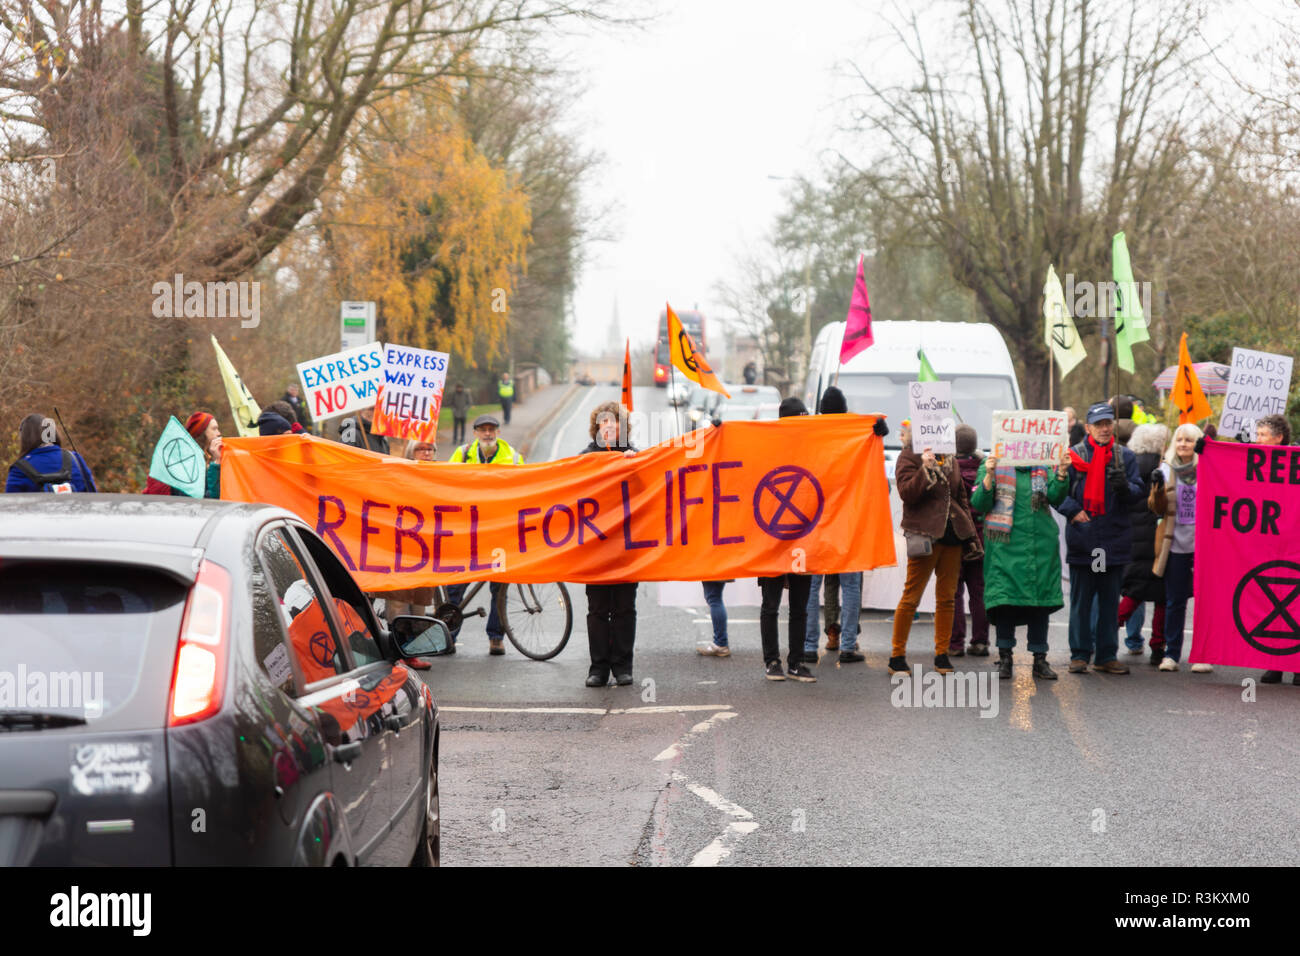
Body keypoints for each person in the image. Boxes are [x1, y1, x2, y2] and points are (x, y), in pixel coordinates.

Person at [969, 444, 1072, 678]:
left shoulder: (1045, 465)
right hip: (1005, 548)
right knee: (1005, 603)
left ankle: (1040, 659)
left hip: (1039, 547)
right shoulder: (991, 463)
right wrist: (990, 476)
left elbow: (1056, 496)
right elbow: (978, 503)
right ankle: (1005, 657)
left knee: (1039, 604)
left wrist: (1062, 472)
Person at [889, 412, 980, 676]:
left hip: (952, 536)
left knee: (947, 598)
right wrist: (924, 469)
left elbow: (961, 496)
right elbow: (907, 493)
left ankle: (941, 654)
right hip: (924, 535)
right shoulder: (909, 456)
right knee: (912, 596)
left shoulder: (949, 458)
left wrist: (970, 533)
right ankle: (897, 655)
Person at [1056, 402, 1144, 674]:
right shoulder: (1073, 456)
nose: (1105, 429)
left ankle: (1106, 655)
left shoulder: (1124, 457)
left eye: (1108, 424)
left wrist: (1124, 486)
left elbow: (1137, 494)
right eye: (1099, 424)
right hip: (1085, 537)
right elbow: (1057, 492)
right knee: (1082, 601)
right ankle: (1080, 654)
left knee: (1108, 601)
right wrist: (1073, 511)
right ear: (1088, 428)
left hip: (1112, 539)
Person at [446, 413, 522, 655]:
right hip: (467, 532)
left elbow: (527, 488)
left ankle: (496, 638)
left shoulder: (513, 457)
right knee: (456, 586)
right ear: (475, 433)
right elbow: (442, 482)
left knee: (499, 588)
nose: (488, 433)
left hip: (499, 533)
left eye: (492, 429)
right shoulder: (462, 454)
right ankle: (448, 635)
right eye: (483, 429)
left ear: (498, 432)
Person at [803, 387, 865, 663]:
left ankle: (807, 645)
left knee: (811, 587)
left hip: (815, 524)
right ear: (844, 409)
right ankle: (848, 645)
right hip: (847, 524)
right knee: (851, 586)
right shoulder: (855, 437)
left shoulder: (810, 436)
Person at [580, 402, 640, 686]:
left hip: (627, 544)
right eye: (603, 422)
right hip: (597, 546)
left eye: (614, 421)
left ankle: (623, 666)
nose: (608, 426)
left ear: (622, 427)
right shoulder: (584, 458)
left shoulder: (635, 455)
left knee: (625, 606)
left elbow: (650, 488)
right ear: (597, 427)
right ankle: (598, 668)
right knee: (598, 608)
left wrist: (634, 465)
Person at [759, 397, 818, 682]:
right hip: (771, 538)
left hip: (802, 538)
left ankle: (796, 661)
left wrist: (872, 431)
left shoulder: (813, 449)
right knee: (770, 604)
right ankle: (772, 660)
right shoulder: (766, 448)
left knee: (799, 606)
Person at [1148, 423, 1211, 675]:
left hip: (1205, 545)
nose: (1183, 444)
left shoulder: (1208, 468)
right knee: (1175, 601)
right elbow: (1156, 508)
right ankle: (1171, 653)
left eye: (1189, 440)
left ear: (1197, 443)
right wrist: (1157, 489)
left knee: (1205, 601)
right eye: (1180, 439)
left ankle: (1203, 654)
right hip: (1174, 543)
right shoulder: (1165, 469)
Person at [383, 437, 442, 668]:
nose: (426, 452)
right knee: (397, 601)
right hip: (399, 547)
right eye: (420, 448)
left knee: (420, 602)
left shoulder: (441, 476)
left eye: (430, 449)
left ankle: (411, 650)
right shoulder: (398, 474)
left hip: (426, 549)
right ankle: (397, 650)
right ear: (410, 452)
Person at [1251, 415, 1298, 684]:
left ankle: (1297, 665)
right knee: (1268, 600)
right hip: (1268, 543)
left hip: (1294, 542)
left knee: (1296, 604)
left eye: (1263, 434)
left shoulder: (1294, 462)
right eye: (1257, 434)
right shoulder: (1252, 463)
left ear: (1279, 437)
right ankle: (1274, 664)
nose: (1258, 439)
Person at [1119, 423, 1168, 662]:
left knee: (1133, 593)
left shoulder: (1130, 464)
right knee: (1162, 597)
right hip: (1160, 537)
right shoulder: (1165, 467)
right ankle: (1158, 647)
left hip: (1134, 537)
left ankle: (1106, 636)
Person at [949, 424, 990, 658]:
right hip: (980, 538)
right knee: (979, 591)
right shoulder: (984, 470)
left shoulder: (948, 470)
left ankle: (955, 643)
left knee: (954, 592)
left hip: (955, 538)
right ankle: (981, 641)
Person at [6, 413, 97, 493]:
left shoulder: (19, 470)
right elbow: (92, 495)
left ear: (25, 439)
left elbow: (10, 508)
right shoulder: (75, 459)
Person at [143, 411, 222, 498]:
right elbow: (206, 501)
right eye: (214, 429)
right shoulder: (184, 464)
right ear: (201, 431)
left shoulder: (206, 459)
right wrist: (216, 465)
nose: (219, 433)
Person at [698, 581, 733, 657]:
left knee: (714, 598)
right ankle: (721, 643)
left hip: (713, 569)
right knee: (714, 597)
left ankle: (721, 644)